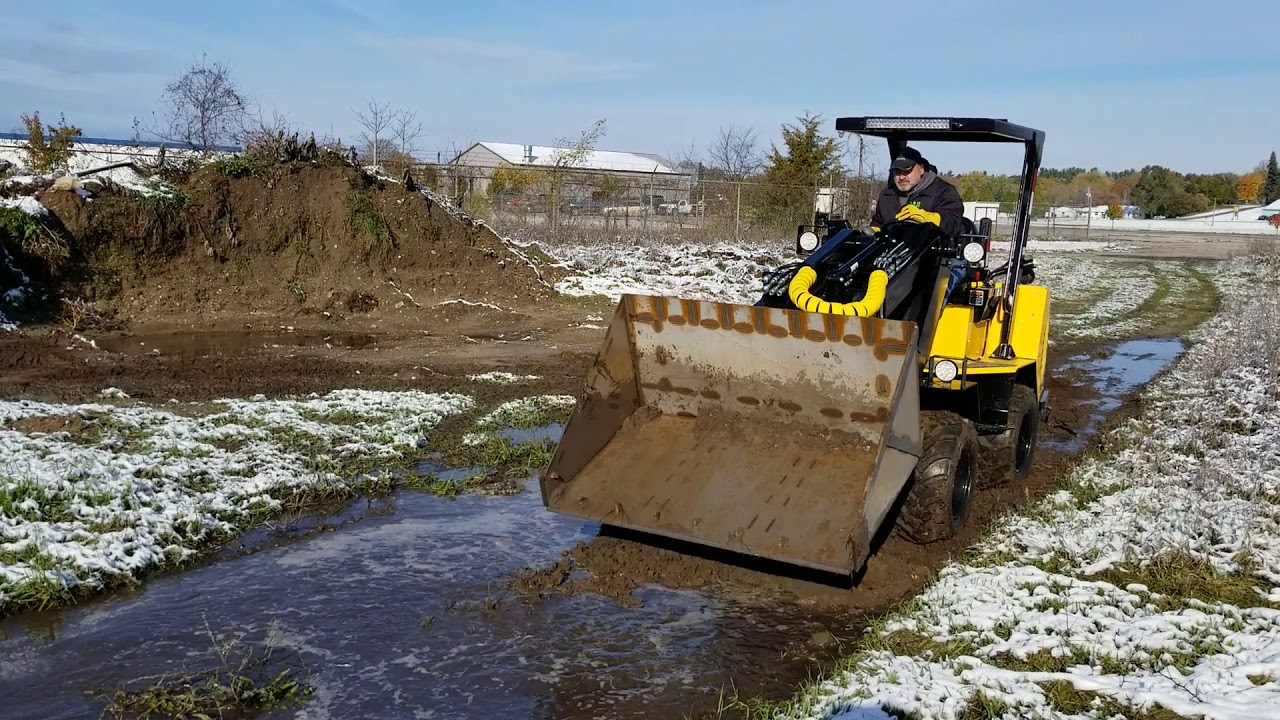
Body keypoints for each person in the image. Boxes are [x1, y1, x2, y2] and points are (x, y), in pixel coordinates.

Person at [870, 146, 967, 237]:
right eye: (897, 172)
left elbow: (953, 223)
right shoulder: (886, 195)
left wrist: (927, 217)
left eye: (907, 171)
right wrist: (873, 231)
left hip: (932, 247)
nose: (902, 177)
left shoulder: (944, 191)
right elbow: (877, 223)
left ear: (921, 169)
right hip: (892, 247)